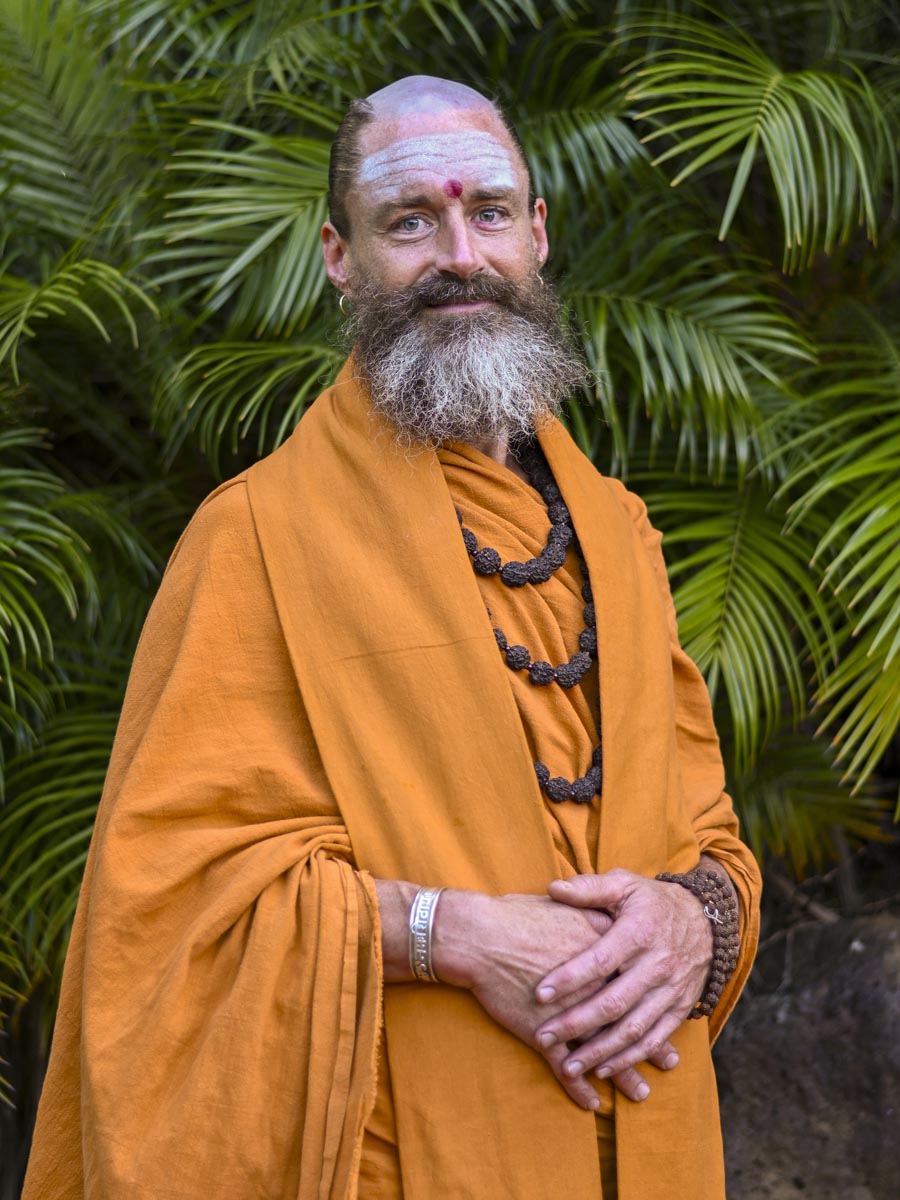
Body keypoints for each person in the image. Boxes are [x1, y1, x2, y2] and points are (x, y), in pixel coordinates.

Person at [23, 76, 761, 1200]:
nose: (459, 254)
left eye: (490, 213)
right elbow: (167, 907)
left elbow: (710, 837)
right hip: (391, 1159)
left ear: (538, 234)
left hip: (647, 1142)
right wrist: (450, 932)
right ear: (339, 255)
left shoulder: (615, 531)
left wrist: (689, 922)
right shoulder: (256, 536)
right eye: (410, 222)